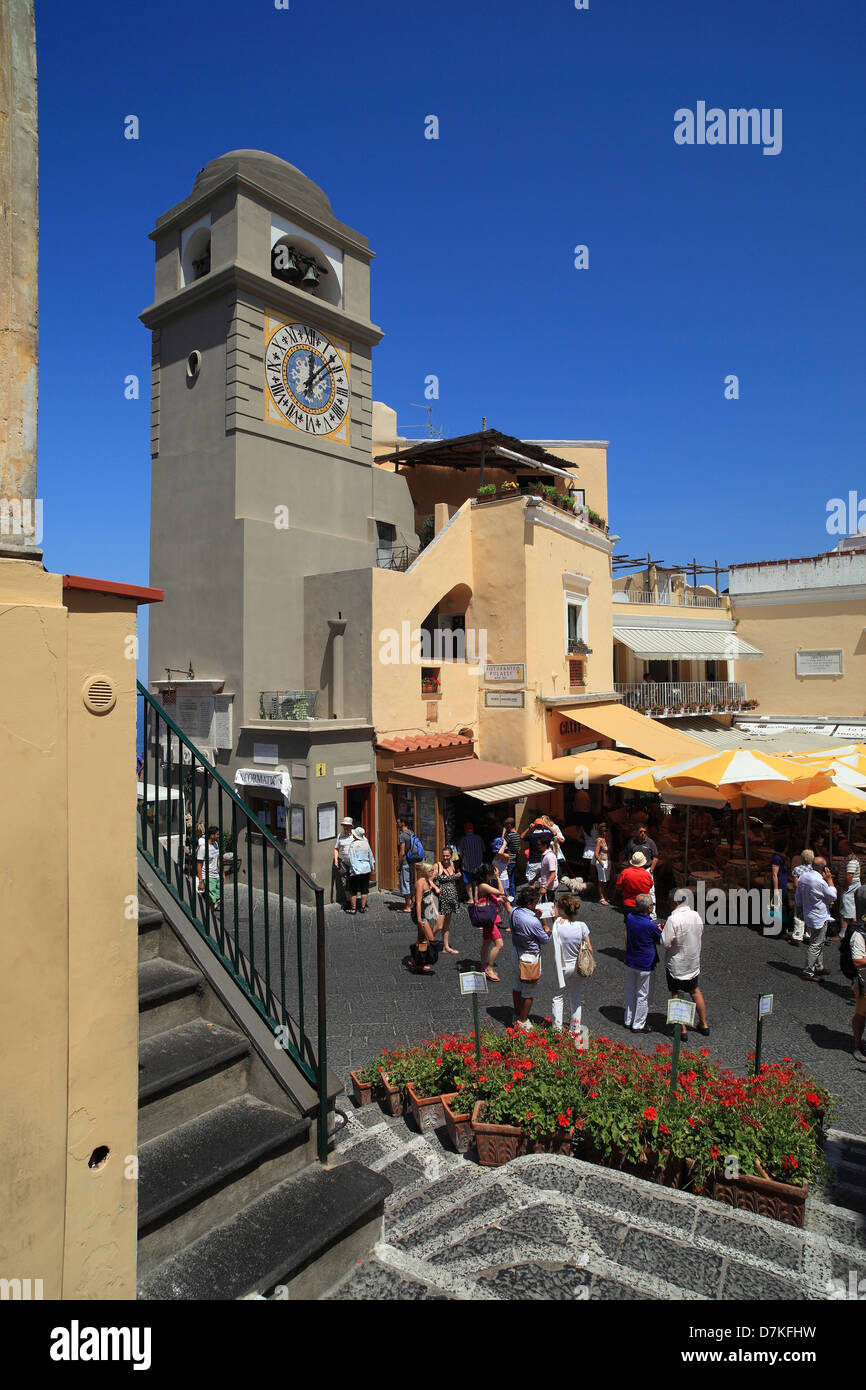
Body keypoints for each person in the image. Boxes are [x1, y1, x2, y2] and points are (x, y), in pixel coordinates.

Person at [661, 890, 709, 1039]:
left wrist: (662, 931)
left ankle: (682, 1029)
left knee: (676, 994)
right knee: (695, 991)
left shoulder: (673, 919)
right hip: (692, 961)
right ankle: (703, 1023)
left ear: (675, 902)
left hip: (677, 963)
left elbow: (665, 942)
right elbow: (700, 931)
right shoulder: (695, 915)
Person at [550, 892, 593, 1036]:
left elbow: (552, 937)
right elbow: (590, 948)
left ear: (562, 910)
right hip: (578, 965)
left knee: (558, 996)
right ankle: (575, 1028)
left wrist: (554, 918)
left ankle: (557, 1029)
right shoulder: (582, 926)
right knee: (576, 997)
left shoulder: (558, 925)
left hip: (562, 965)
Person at [510, 883, 550, 1031]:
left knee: (517, 985)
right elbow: (545, 939)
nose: (537, 904)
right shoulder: (533, 921)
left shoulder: (513, 912)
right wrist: (544, 924)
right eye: (535, 902)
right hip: (530, 957)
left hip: (516, 952)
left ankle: (516, 1014)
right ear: (529, 903)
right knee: (529, 991)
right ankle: (523, 1020)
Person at [624, 892, 662, 1033]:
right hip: (645, 963)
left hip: (630, 960)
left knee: (630, 991)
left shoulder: (630, 918)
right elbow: (660, 939)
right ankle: (638, 1024)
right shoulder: (650, 925)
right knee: (643, 994)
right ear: (649, 908)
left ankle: (628, 1019)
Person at [796, 855, 837, 982]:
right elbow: (833, 896)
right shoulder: (820, 881)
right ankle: (808, 971)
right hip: (819, 915)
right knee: (816, 943)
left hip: (808, 913)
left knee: (819, 941)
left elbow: (798, 896)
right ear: (824, 868)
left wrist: (801, 909)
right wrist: (830, 880)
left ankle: (819, 967)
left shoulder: (803, 877)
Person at [474, 863, 507, 981]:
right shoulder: (483, 885)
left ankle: (483, 967)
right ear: (487, 875)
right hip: (489, 920)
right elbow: (501, 891)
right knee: (499, 944)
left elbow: (487, 898)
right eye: (492, 875)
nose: (493, 876)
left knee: (486, 943)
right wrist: (498, 877)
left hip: (487, 918)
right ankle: (489, 968)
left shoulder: (483, 884)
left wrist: (497, 899)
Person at [409, 861, 440, 973]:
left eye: (432, 870)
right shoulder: (420, 883)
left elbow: (430, 898)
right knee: (430, 938)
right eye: (430, 870)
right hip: (420, 914)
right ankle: (423, 960)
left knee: (421, 938)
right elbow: (417, 902)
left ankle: (417, 962)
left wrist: (435, 912)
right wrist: (418, 919)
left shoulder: (428, 881)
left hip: (424, 913)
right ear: (424, 872)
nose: (432, 871)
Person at [432, 846, 460, 954]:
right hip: (441, 899)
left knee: (447, 925)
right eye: (443, 856)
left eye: (447, 856)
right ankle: (426, 940)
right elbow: (430, 880)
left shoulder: (453, 865)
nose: (445, 858)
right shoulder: (437, 866)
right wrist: (435, 888)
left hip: (451, 897)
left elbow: (452, 880)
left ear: (451, 856)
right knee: (439, 925)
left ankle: (446, 946)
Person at [848, 913, 866, 1063]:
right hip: (862, 984)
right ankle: (857, 1045)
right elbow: (858, 961)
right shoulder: (858, 936)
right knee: (861, 1015)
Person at [616, 851, 654, 921]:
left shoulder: (625, 872)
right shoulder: (646, 874)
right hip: (643, 904)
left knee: (629, 926)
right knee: (643, 926)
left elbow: (619, 886)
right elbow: (650, 886)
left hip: (628, 903)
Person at [346, 825, 374, 915]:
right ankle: (362, 907)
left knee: (353, 890)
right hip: (366, 869)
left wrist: (354, 869)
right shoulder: (366, 843)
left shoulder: (353, 845)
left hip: (356, 870)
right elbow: (371, 856)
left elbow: (352, 858)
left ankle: (353, 909)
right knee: (364, 889)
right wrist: (372, 867)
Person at [836, 840, 861, 937]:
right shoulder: (849, 858)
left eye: (841, 847)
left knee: (847, 910)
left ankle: (843, 934)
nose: (839, 849)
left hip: (850, 886)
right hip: (849, 886)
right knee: (849, 909)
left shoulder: (852, 859)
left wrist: (846, 886)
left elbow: (850, 875)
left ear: (847, 847)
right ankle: (851, 932)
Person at [196, 825, 223, 915]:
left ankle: (207, 914)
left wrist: (221, 872)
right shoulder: (203, 848)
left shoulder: (216, 845)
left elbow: (218, 859)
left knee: (216, 897)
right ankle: (208, 916)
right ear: (211, 835)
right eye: (217, 834)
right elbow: (199, 865)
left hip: (216, 876)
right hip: (208, 876)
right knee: (211, 899)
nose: (219, 836)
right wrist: (200, 881)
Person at [457, 822, 485, 904]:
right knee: (476, 881)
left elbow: (459, 853)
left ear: (465, 830)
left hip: (467, 865)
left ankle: (471, 899)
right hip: (478, 864)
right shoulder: (479, 838)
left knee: (468, 882)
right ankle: (476, 898)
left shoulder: (463, 839)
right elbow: (483, 849)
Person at [770, 837, 791, 937]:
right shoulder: (777, 858)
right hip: (779, 886)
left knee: (783, 906)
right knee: (779, 907)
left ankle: (782, 928)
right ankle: (778, 929)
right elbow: (774, 874)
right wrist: (776, 889)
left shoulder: (781, 857)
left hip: (783, 884)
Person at [334, 815, 355, 909]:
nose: (345, 827)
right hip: (344, 863)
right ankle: (348, 901)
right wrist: (336, 859)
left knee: (353, 883)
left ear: (351, 827)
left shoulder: (355, 835)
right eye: (344, 826)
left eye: (347, 826)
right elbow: (336, 848)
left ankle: (353, 902)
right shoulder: (340, 835)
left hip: (354, 864)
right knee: (345, 882)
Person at [397, 816, 414, 913]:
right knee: (411, 883)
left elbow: (402, 852)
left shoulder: (402, 835)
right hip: (412, 861)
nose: (397, 824)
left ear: (403, 823)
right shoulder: (411, 833)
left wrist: (399, 864)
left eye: (398, 822)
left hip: (405, 862)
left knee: (405, 883)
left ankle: (407, 906)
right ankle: (413, 903)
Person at [593, 820, 611, 906]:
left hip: (608, 861)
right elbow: (596, 853)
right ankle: (601, 897)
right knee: (601, 880)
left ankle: (605, 895)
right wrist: (601, 862)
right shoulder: (599, 840)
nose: (605, 832)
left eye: (606, 831)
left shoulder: (607, 839)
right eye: (604, 831)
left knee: (606, 880)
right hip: (602, 861)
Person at [502, 816, 523, 889]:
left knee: (508, 881)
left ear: (509, 825)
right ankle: (513, 898)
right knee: (512, 881)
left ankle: (510, 897)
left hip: (509, 860)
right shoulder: (517, 835)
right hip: (515, 860)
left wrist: (503, 833)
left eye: (506, 826)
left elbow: (502, 844)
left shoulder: (509, 836)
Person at [537, 834, 559, 901]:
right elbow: (543, 870)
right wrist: (534, 879)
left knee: (548, 906)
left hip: (549, 887)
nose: (537, 846)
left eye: (539, 844)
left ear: (545, 845)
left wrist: (545, 887)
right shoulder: (544, 855)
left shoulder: (549, 857)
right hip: (547, 886)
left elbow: (553, 874)